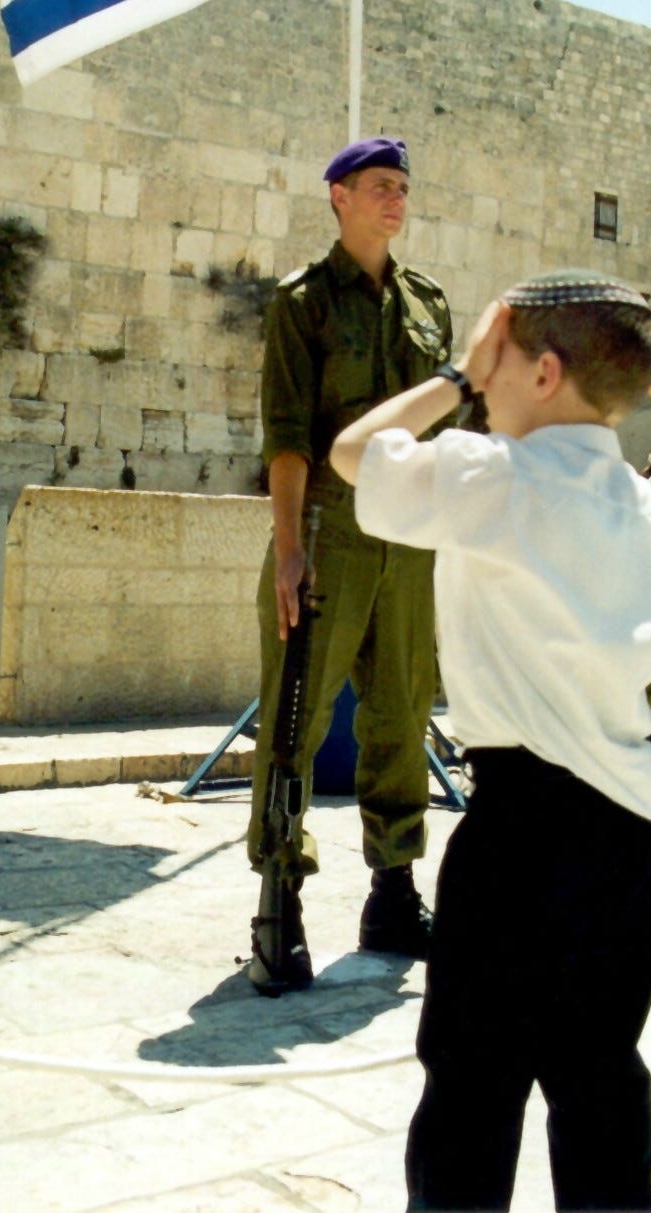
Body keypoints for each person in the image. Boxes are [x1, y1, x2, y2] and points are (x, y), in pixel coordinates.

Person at [331, 270, 651, 1212]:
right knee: (602, 1086)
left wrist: (454, 378)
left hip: (517, 834)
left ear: (544, 372)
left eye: (502, 358)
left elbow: (358, 452)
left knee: (472, 1095)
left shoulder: (492, 477)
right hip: (630, 835)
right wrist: (611, 714)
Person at [246, 135, 453, 994]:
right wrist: (290, 549)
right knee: (297, 710)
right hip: (329, 533)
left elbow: (451, 422)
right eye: (379, 186)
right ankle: (277, 903)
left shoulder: (427, 301)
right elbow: (288, 437)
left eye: (403, 186)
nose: (395, 199)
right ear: (339, 196)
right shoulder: (303, 302)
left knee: (403, 710)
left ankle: (394, 893)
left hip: (409, 535)